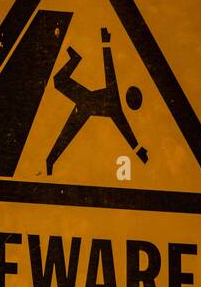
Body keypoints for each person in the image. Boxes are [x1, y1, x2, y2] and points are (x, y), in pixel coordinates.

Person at [45, 27, 148, 176]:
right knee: (59, 81)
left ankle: (49, 163)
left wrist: (105, 42)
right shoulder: (117, 107)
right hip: (83, 99)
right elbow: (109, 69)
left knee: (64, 136)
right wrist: (138, 151)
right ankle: (49, 163)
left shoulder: (116, 106)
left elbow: (109, 68)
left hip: (83, 108)